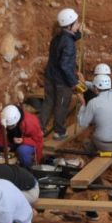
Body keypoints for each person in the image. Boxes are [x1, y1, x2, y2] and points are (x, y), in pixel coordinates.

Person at [40, 8, 81, 139]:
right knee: (61, 105)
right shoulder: (69, 43)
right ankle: (59, 132)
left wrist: (78, 33)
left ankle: (39, 129)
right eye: (77, 23)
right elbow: (65, 65)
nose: (79, 24)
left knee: (48, 102)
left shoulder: (57, 36)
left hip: (50, 77)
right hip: (62, 81)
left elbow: (70, 38)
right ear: (69, 26)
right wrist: (73, 83)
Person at [76, 73, 112, 154]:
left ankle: (92, 150)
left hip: (104, 145)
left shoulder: (93, 103)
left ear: (95, 88)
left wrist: (83, 103)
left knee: (90, 138)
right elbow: (96, 86)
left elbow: (82, 123)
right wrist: (84, 82)